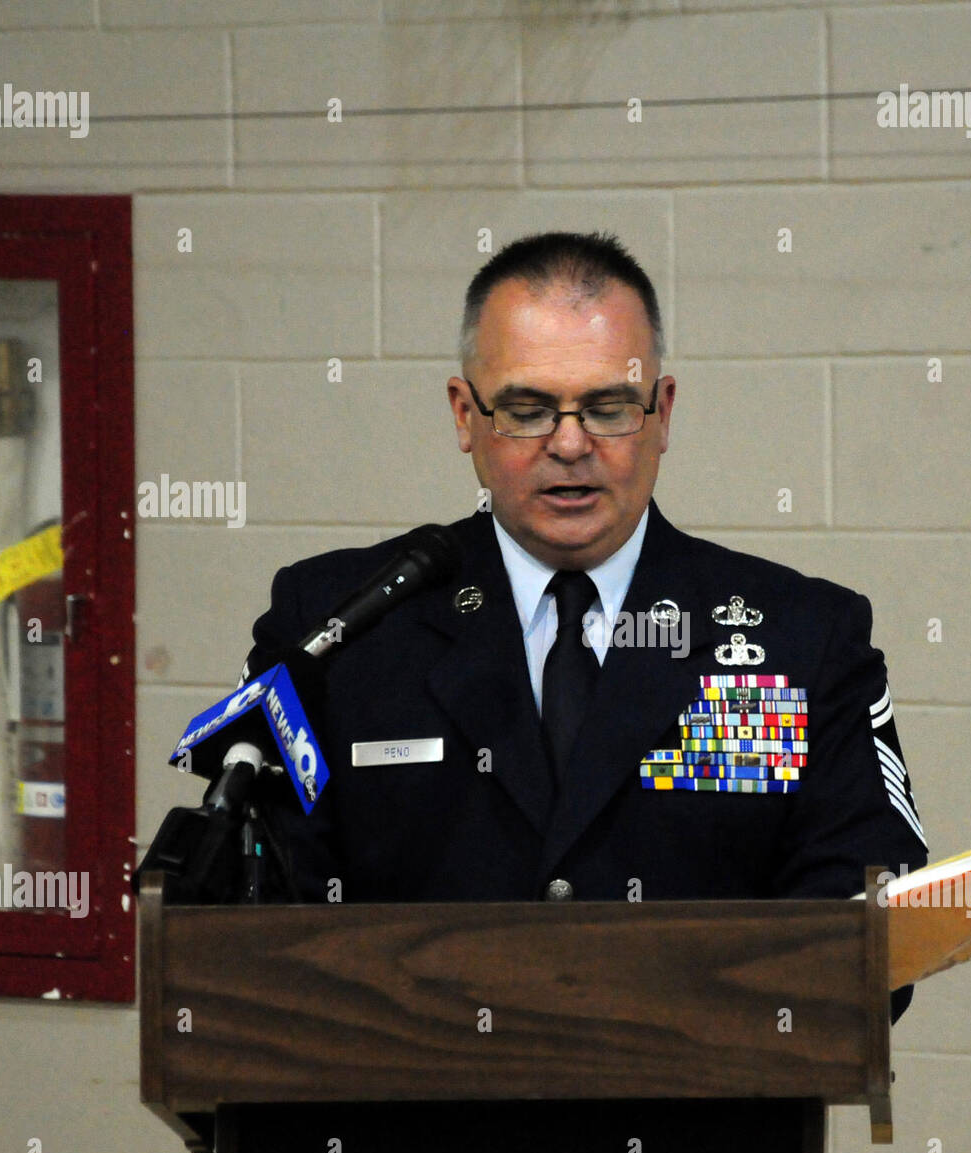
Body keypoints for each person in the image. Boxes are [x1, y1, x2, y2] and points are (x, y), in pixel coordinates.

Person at [245, 230, 927, 1023]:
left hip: (703, 1128)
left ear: (662, 412)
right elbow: (256, 915)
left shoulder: (802, 637)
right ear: (466, 415)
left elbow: (872, 921)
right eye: (529, 410)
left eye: (607, 408)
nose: (570, 445)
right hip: (408, 1130)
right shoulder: (340, 624)